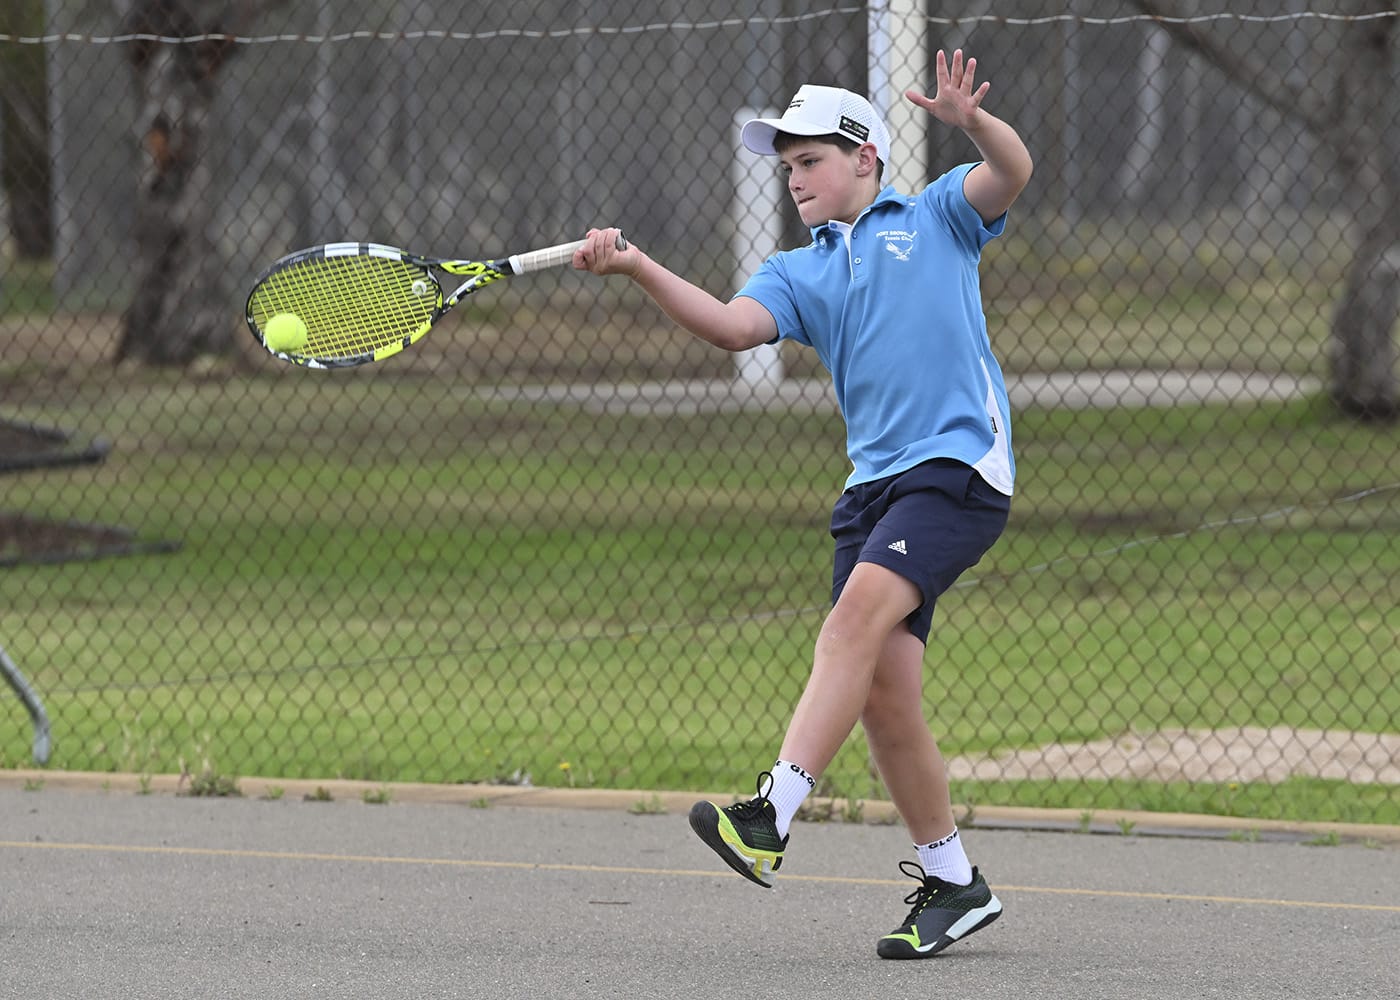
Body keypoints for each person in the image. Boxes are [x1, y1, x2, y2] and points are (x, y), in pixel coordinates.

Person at [573, 49, 1033, 959]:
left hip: (958, 468)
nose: (795, 181)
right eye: (786, 168)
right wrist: (637, 267)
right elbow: (729, 326)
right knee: (886, 696)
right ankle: (953, 882)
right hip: (872, 493)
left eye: (810, 161)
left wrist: (970, 122)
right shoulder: (800, 269)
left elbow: (1012, 171)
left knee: (851, 621)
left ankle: (770, 812)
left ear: (865, 156)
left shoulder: (937, 214)